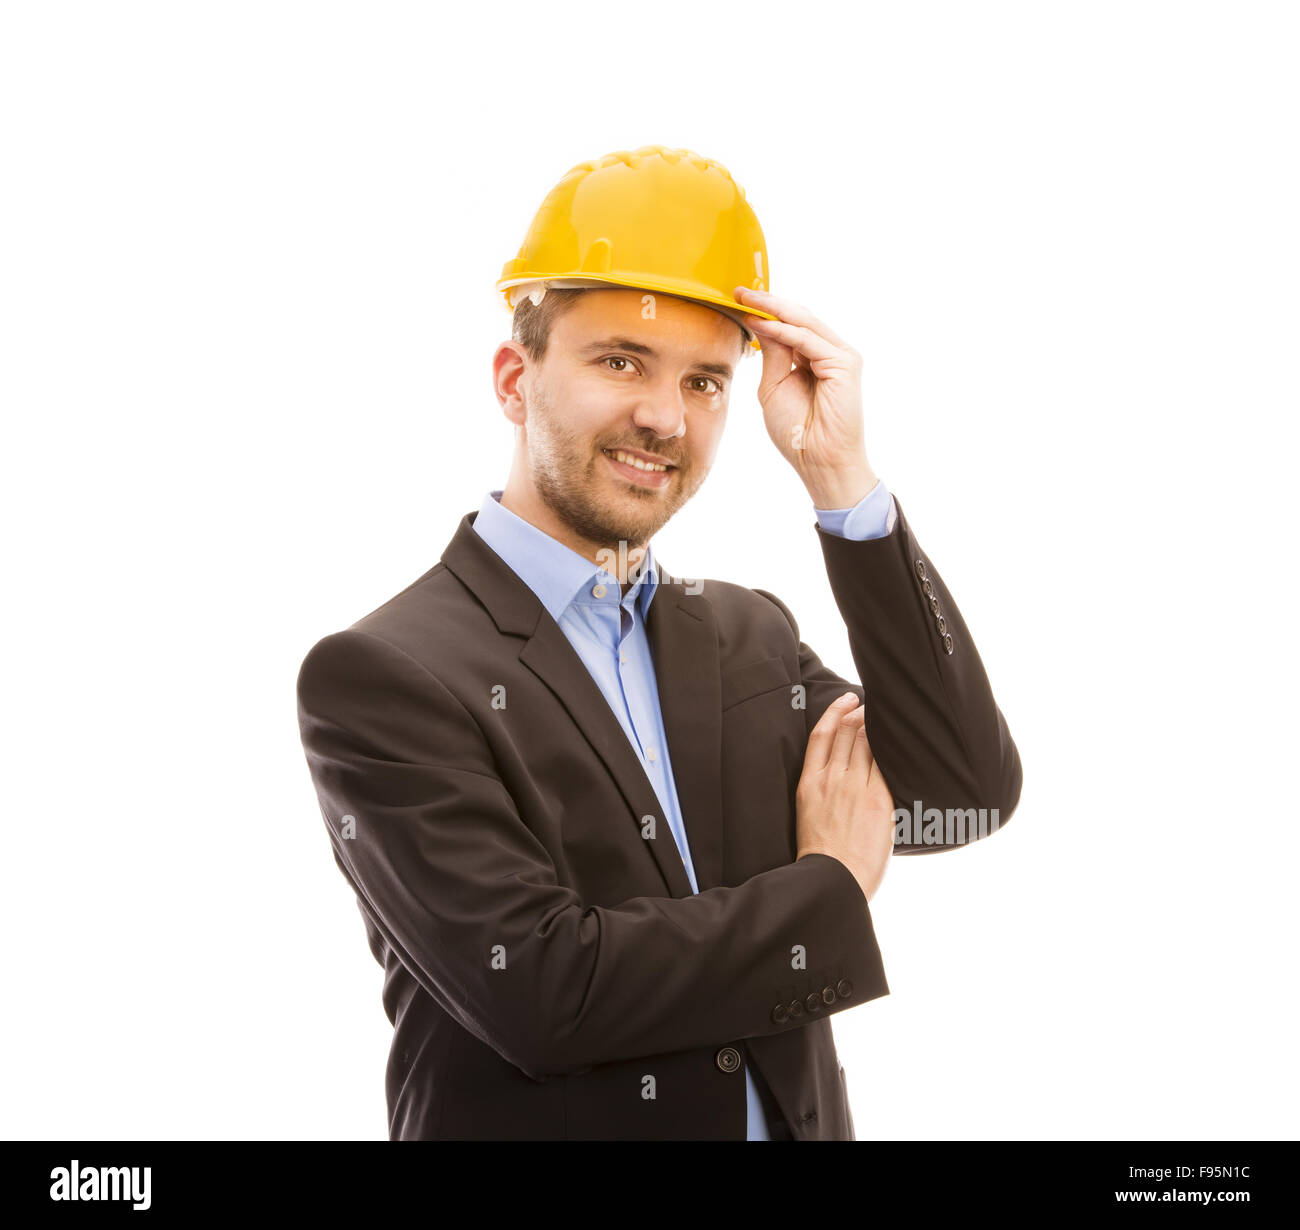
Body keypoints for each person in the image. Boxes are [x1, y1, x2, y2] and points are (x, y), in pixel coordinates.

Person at [296, 145, 1023, 1140]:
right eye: (620, 360)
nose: (662, 417)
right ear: (515, 379)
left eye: (705, 383)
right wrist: (826, 890)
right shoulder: (385, 676)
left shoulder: (744, 638)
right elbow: (548, 994)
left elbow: (960, 794)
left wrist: (843, 485)